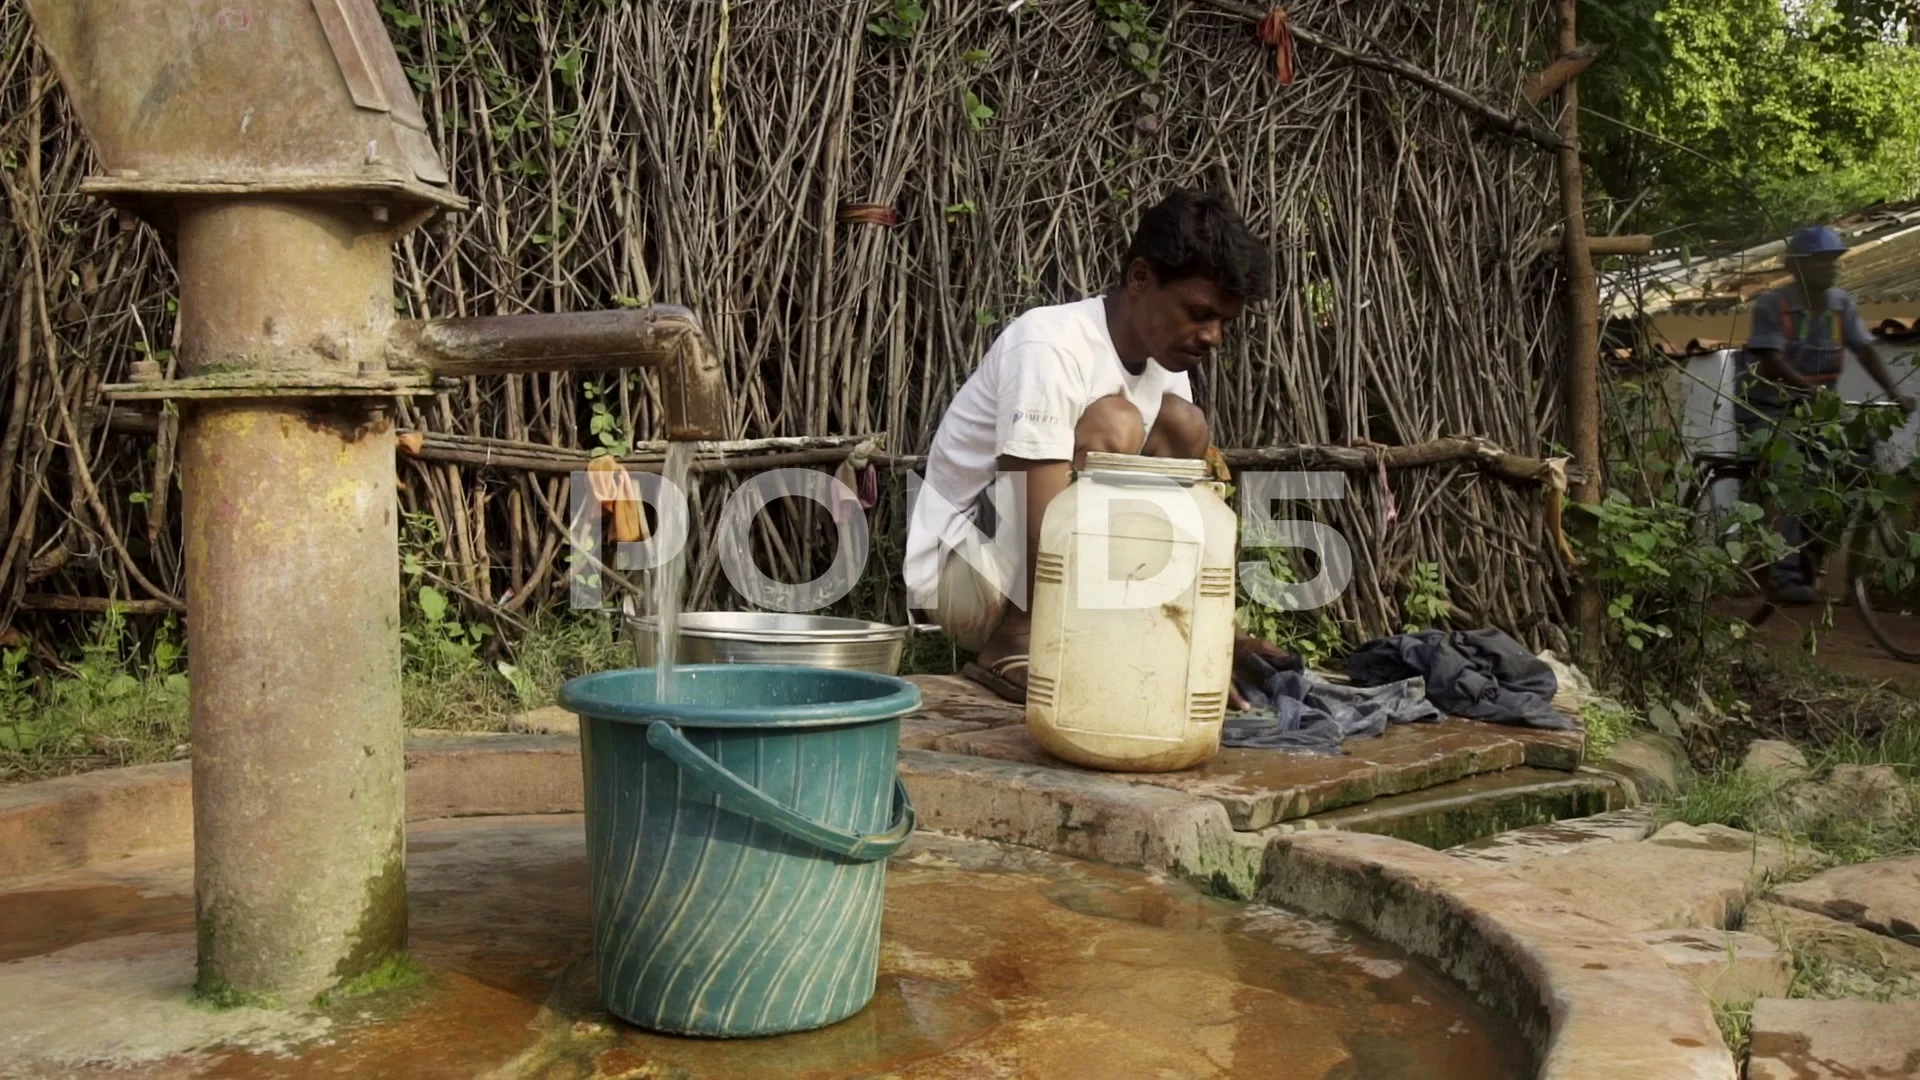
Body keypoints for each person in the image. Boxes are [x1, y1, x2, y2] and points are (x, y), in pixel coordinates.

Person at [904, 188, 1287, 702]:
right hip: (971, 578)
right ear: (1140, 278)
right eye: (1198, 312)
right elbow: (1033, 514)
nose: (1213, 336)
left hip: (1068, 571)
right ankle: (1013, 644)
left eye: (1223, 323)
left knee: (1184, 426)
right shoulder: (1050, 343)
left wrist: (1212, 638)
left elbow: (1159, 530)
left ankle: (1088, 637)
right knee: (1116, 424)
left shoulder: (1167, 374)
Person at [1739, 223, 1916, 605]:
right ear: (1799, 266)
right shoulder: (1773, 304)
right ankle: (1783, 572)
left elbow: (1866, 350)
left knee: (1854, 464)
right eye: (1822, 262)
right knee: (1792, 474)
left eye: (1834, 261)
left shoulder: (1841, 304)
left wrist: (1896, 393)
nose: (1831, 269)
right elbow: (1769, 360)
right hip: (1770, 408)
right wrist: (1808, 388)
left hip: (1818, 409)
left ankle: (1812, 555)